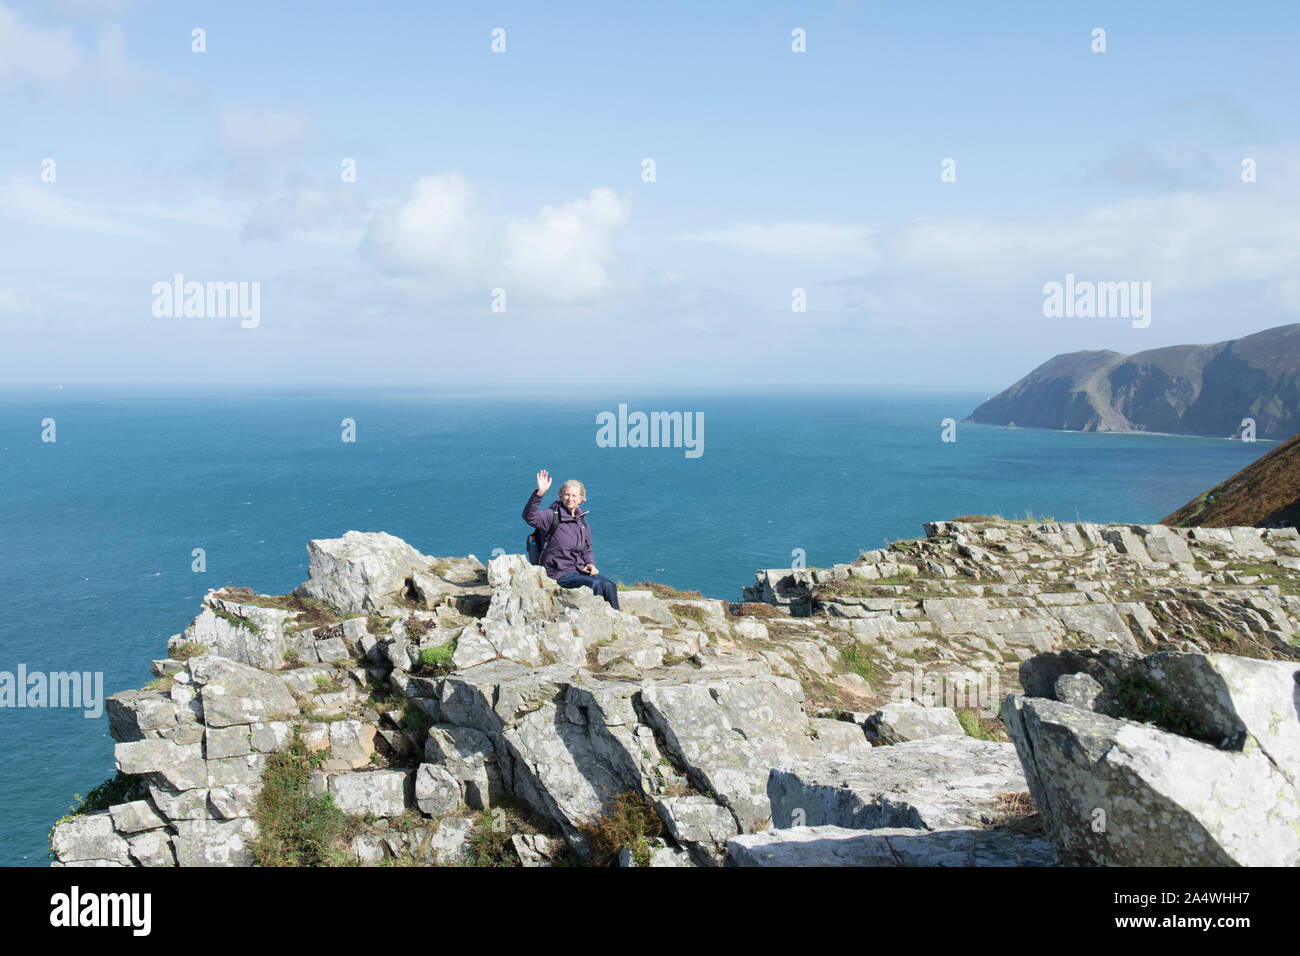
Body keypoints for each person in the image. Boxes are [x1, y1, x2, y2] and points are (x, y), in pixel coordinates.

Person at [523, 469, 620, 610]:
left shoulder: (582, 522)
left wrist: (590, 564)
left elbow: (587, 549)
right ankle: (598, 617)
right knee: (596, 585)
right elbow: (529, 517)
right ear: (561, 496)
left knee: (610, 586)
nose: (570, 498)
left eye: (574, 495)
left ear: (581, 499)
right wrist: (539, 494)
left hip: (578, 570)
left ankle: (615, 618)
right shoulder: (551, 517)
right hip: (558, 573)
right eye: (567, 494)